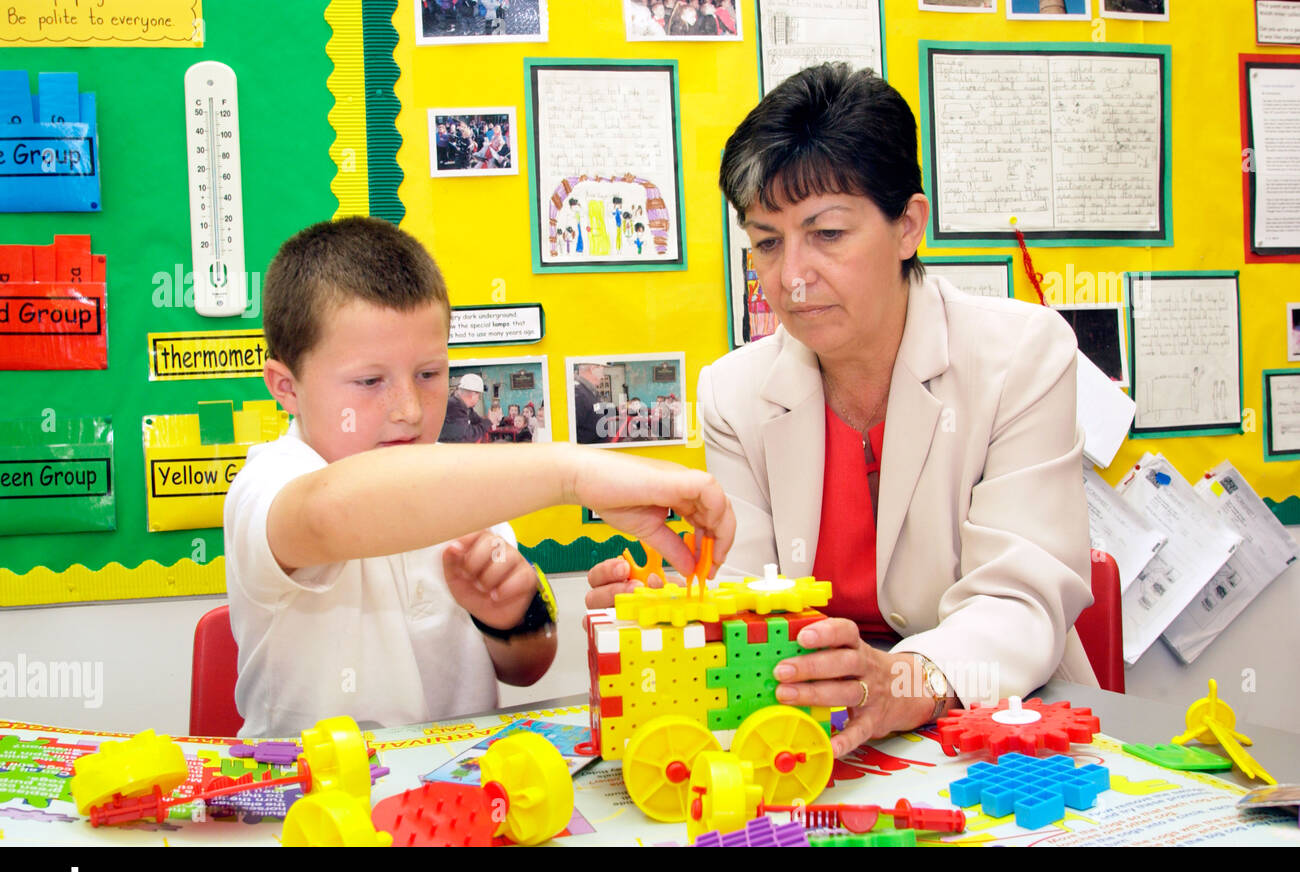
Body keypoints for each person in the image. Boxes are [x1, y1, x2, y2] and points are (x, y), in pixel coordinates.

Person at [587, 64, 1095, 758]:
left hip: (996, 720)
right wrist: (673, 615)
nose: (790, 276)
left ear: (908, 226)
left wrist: (908, 676)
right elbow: (749, 598)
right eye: (767, 242)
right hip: (821, 735)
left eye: (826, 233)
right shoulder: (734, 395)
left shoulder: (1023, 357)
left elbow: (1022, 598)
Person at [224, 217, 735, 738]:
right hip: (317, 804)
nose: (408, 409)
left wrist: (512, 618)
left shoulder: (461, 481)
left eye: (428, 374)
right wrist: (573, 472)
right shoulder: (272, 480)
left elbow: (525, 667)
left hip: (460, 787)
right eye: (370, 381)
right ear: (285, 387)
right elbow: (326, 514)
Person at [439, 373, 491, 442]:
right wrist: (488, 422)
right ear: (473, 395)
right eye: (479, 395)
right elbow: (467, 436)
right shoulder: (453, 407)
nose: (479, 399)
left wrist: (489, 419)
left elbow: (477, 420)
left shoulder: (465, 407)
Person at [574, 361, 609, 444]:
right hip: (586, 453)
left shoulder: (588, 391)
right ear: (593, 369)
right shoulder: (578, 393)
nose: (603, 376)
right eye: (602, 371)